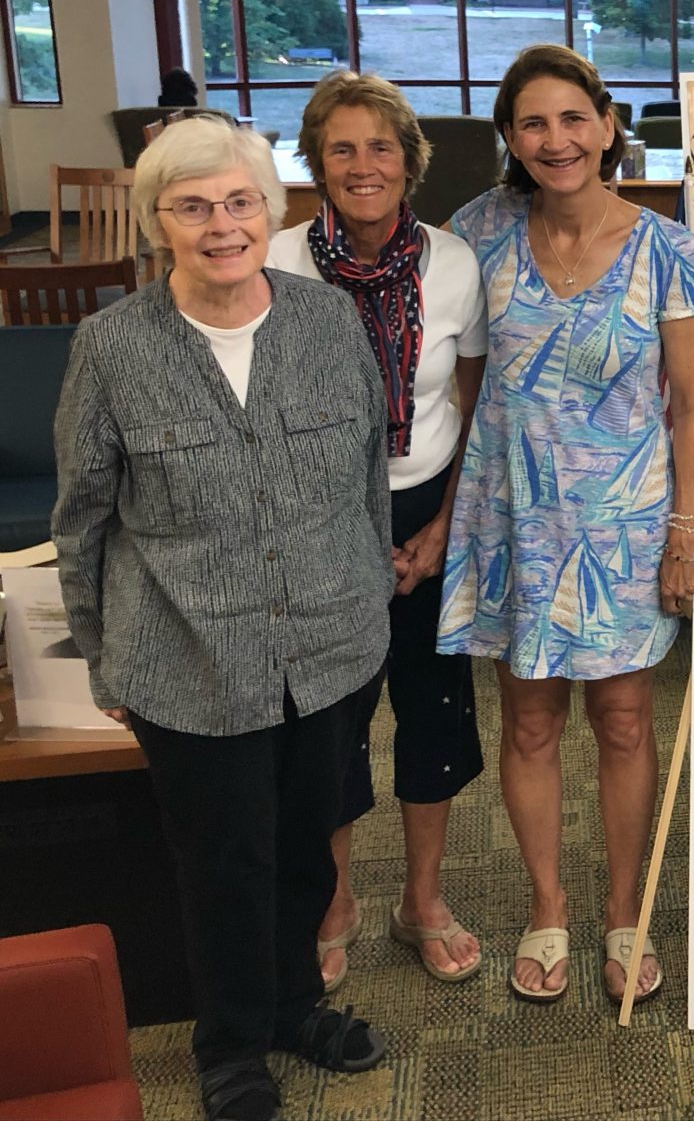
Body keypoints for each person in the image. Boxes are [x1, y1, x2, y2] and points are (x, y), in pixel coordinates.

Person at [52, 117, 391, 1121]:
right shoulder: (109, 348)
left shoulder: (328, 323)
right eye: (192, 206)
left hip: (329, 651)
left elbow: (367, 479)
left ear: (271, 208)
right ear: (159, 222)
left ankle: (292, 1006)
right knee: (224, 866)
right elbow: (83, 518)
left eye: (240, 201)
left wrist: (366, 599)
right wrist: (107, 664)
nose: (221, 224)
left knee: (303, 847)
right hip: (189, 665)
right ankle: (232, 1045)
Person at [437, 44, 694, 1006]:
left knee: (628, 721)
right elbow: (463, 388)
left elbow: (692, 407)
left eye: (573, 119)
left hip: (628, 528)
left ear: (605, 125)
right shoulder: (476, 233)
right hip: (516, 520)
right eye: (533, 124)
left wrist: (689, 530)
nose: (556, 141)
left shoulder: (665, 246)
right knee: (529, 722)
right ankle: (548, 908)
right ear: (510, 138)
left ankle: (624, 912)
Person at [266, 72, 487, 990]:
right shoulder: (273, 260)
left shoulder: (455, 264)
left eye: (382, 146)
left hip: (425, 508)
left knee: (431, 710)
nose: (364, 165)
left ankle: (423, 901)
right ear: (315, 162)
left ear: (411, 161)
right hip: (314, 519)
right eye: (342, 147)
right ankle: (336, 898)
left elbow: (476, 405)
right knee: (331, 719)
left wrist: (442, 527)